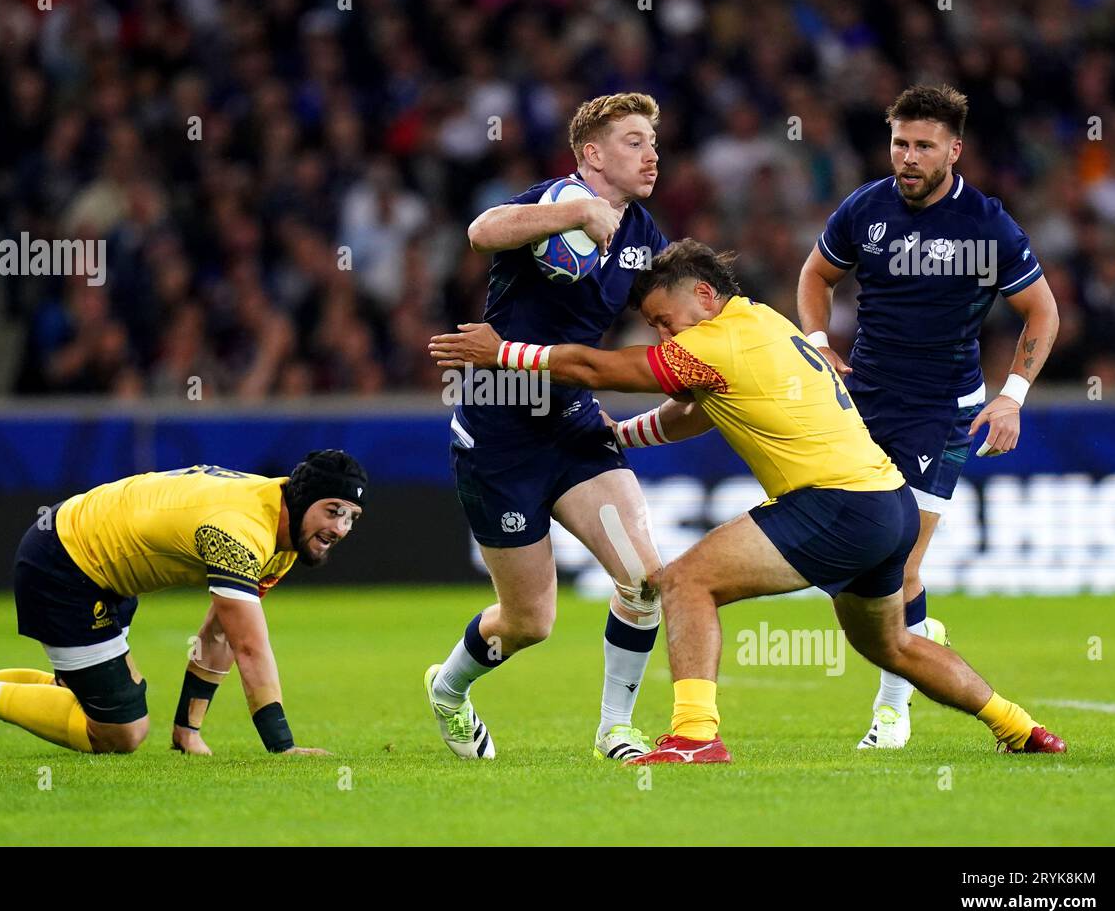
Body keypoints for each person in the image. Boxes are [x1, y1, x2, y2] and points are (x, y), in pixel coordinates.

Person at [429, 238, 1066, 763]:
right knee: (892, 646)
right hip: (887, 506)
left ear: (703, 295)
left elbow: (599, 371)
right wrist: (622, 434)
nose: (661, 331)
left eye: (662, 317)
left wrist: (504, 352)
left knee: (685, 582)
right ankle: (1019, 727)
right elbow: (696, 414)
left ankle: (695, 736)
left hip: (835, 503)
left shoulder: (715, 342)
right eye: (651, 325)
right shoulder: (763, 322)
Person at [796, 84, 1059, 747]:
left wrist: (1013, 396)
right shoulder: (866, 209)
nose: (907, 157)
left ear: (954, 150)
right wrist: (820, 343)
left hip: (941, 411)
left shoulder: (987, 225)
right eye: (899, 143)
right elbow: (815, 275)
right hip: (863, 404)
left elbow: (1042, 311)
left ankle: (892, 713)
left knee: (901, 566)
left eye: (923, 146)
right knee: (853, 575)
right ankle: (920, 635)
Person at [425, 92, 670, 761]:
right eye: (632, 140)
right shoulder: (547, 204)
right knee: (531, 622)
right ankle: (448, 691)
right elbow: (482, 230)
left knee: (646, 579)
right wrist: (574, 213)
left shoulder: (645, 236)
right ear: (591, 153)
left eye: (652, 140)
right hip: (498, 436)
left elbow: (678, 314)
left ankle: (614, 729)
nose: (651, 153)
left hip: (571, 421)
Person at [0, 454, 366, 758]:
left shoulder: (280, 525)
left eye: (351, 516)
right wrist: (282, 746)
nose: (341, 529)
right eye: (333, 510)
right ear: (302, 500)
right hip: (67, 564)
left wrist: (188, 731)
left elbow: (218, 631)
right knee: (120, 732)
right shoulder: (240, 531)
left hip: (102, 563)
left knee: (91, 701)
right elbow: (249, 648)